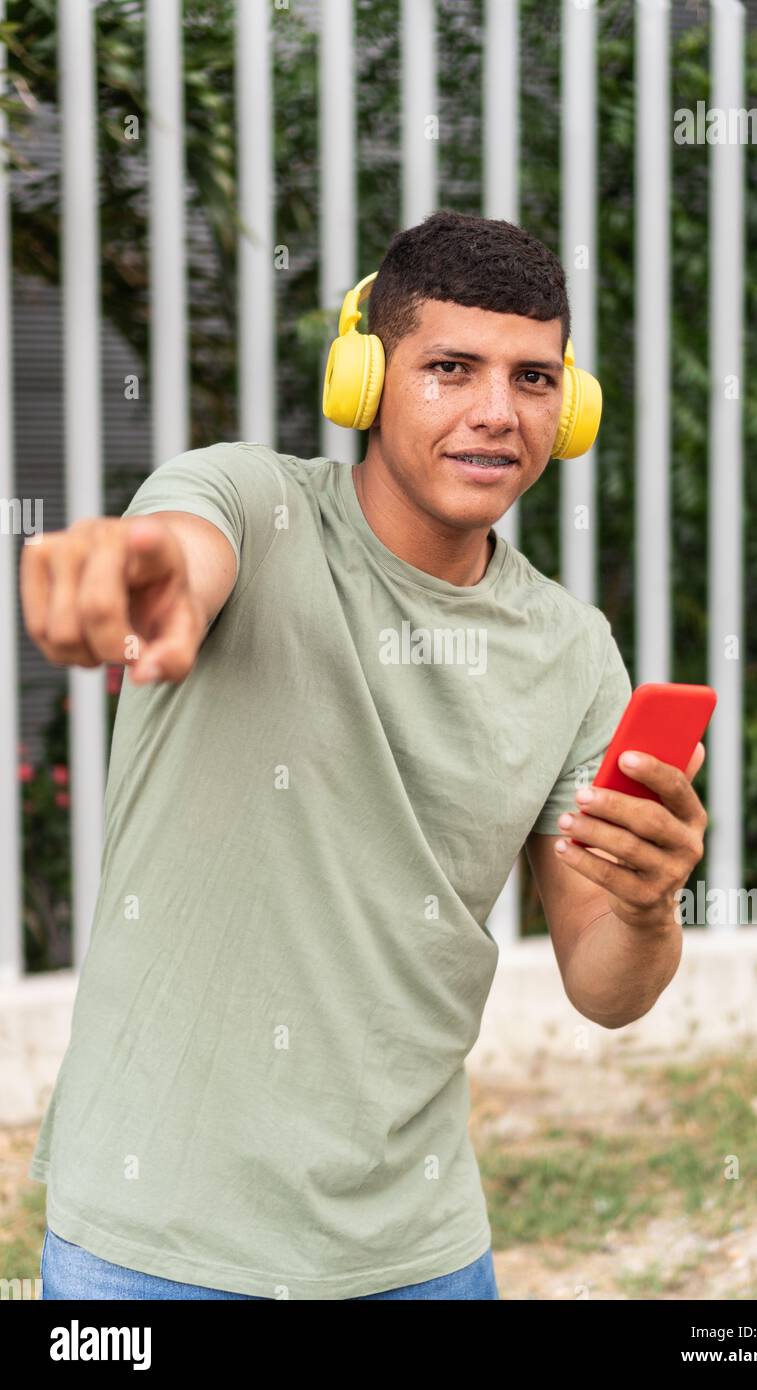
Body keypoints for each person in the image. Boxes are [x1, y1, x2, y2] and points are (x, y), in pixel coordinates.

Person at [21, 209, 705, 1300]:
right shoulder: (248, 501)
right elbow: (179, 559)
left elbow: (605, 989)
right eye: (448, 368)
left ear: (568, 407)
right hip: (150, 1248)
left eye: (533, 379)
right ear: (363, 379)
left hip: (418, 1252)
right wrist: (136, 579)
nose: (494, 412)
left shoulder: (575, 654)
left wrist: (643, 905)